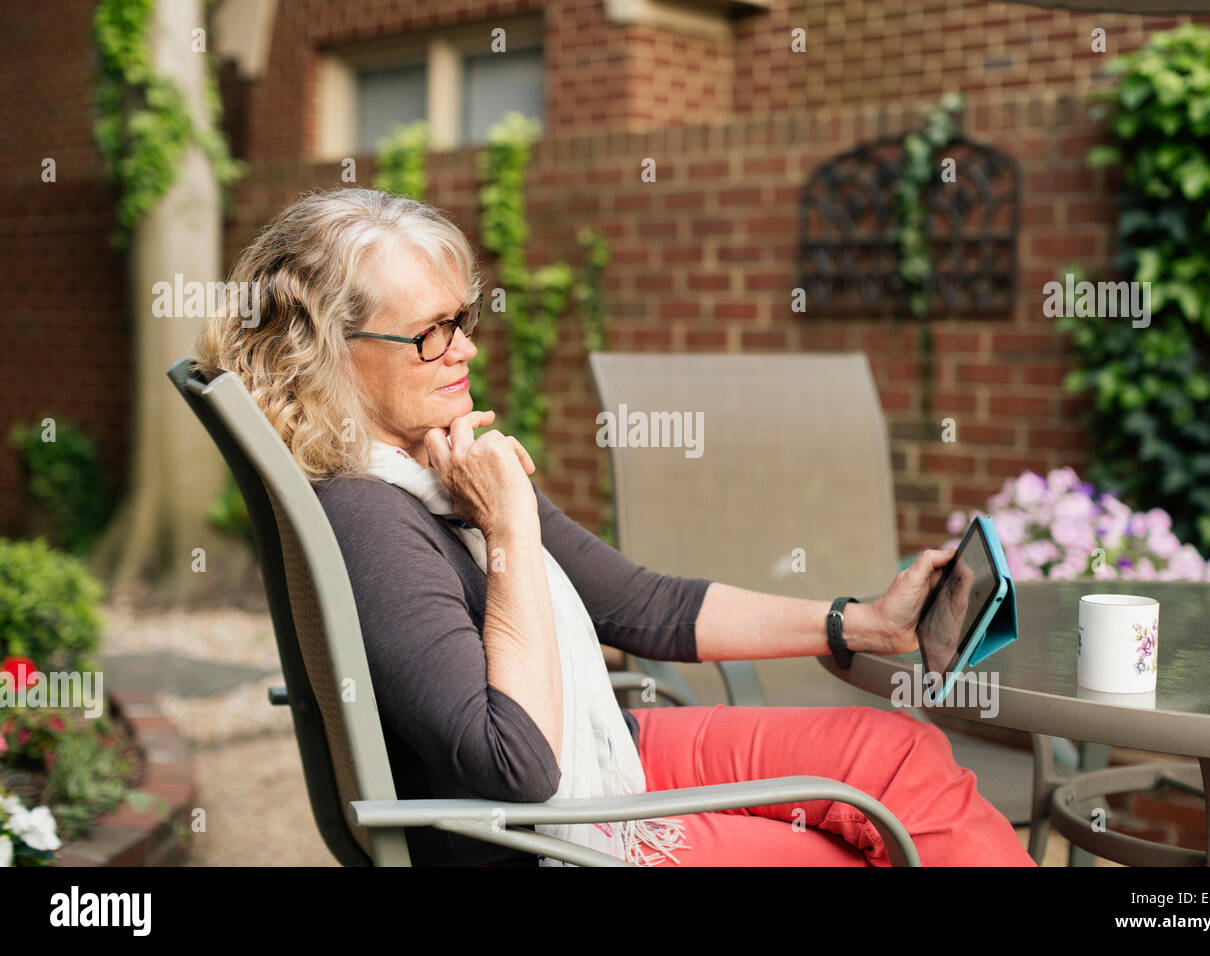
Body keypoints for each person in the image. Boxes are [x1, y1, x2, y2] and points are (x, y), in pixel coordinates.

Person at [195, 187, 1036, 867]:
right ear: (328, 352)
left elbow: (639, 605)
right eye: (429, 334)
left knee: (900, 760)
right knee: (855, 846)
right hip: (544, 840)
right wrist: (512, 531)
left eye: (463, 320)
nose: (465, 352)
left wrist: (858, 622)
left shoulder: (436, 471)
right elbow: (515, 769)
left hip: (608, 757)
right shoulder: (369, 521)